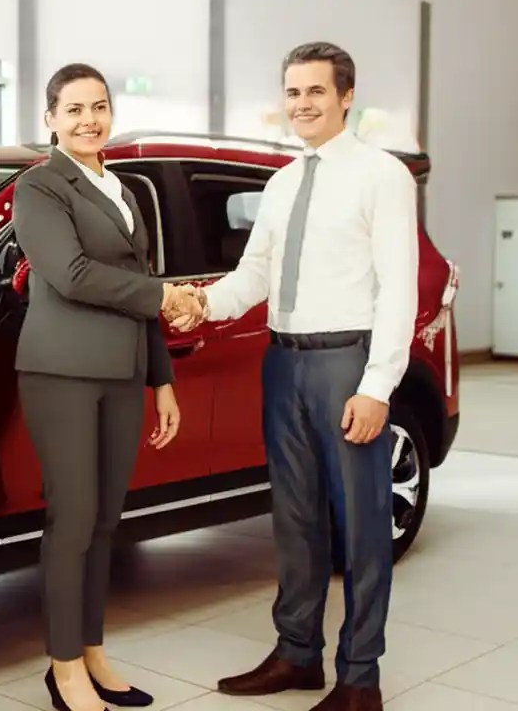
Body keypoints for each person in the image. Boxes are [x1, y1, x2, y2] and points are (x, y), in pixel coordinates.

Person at [173, 42, 417, 711]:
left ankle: (360, 678)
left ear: (346, 97)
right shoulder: (280, 184)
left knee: (363, 527)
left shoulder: (381, 174)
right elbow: (255, 276)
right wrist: (203, 304)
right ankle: (296, 654)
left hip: (346, 361)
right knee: (295, 518)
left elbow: (400, 287)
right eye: (292, 92)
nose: (302, 103)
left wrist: (376, 386)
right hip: (282, 362)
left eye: (315, 91)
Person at [12, 62, 199, 711]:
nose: (89, 119)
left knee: (104, 522)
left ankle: (91, 650)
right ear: (51, 119)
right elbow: (70, 274)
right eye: (74, 109)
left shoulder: (118, 187)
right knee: (73, 520)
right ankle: (63, 668)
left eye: (99, 107)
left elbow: (135, 290)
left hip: (121, 373)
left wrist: (162, 379)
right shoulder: (40, 187)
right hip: (62, 371)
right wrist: (166, 294)